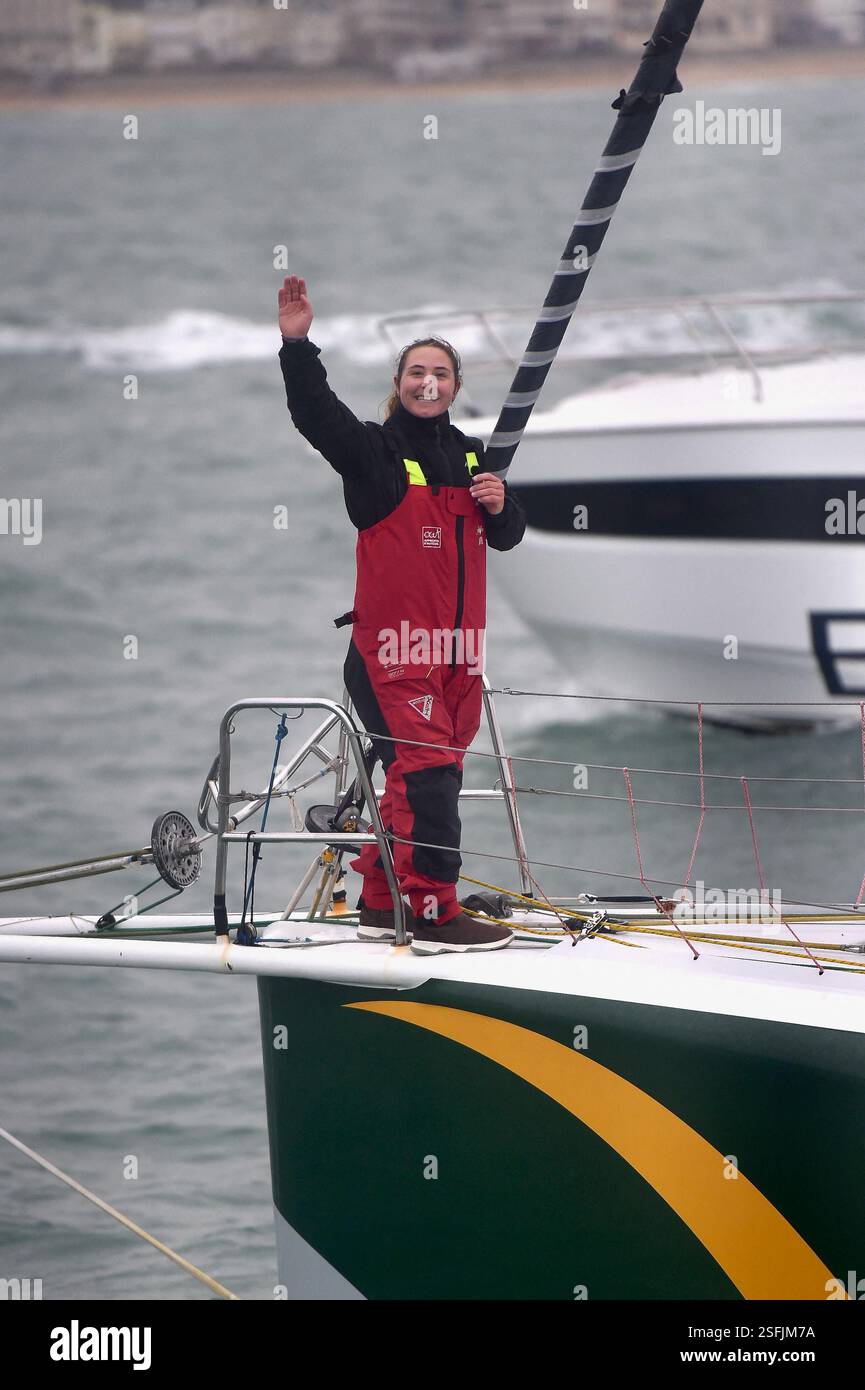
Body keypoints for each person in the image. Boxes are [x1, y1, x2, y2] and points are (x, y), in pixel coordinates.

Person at [277, 274, 526, 954]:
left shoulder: (473, 458)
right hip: (392, 658)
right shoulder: (375, 454)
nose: (428, 381)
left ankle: (383, 901)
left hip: (457, 661)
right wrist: (298, 345)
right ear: (399, 380)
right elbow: (313, 414)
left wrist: (501, 504)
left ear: (453, 385)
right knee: (426, 779)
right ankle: (433, 910)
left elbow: (507, 537)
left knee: (423, 781)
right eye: (416, 370)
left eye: (440, 372)